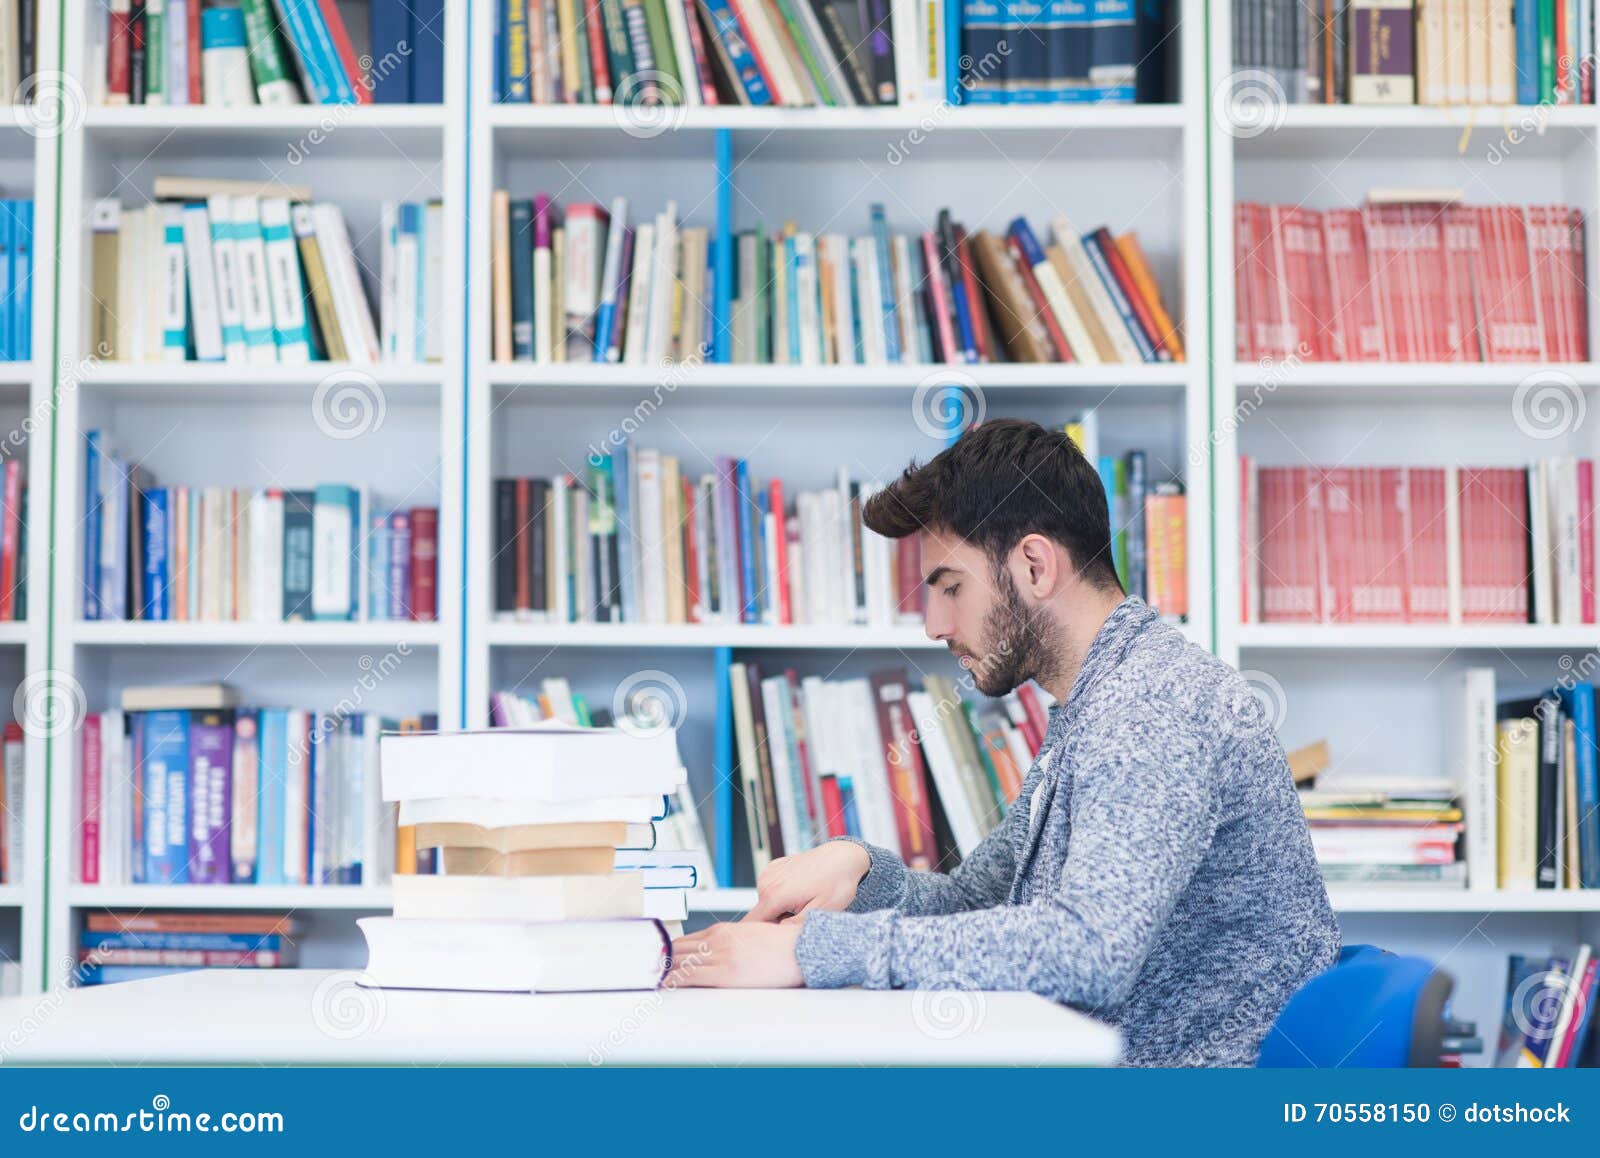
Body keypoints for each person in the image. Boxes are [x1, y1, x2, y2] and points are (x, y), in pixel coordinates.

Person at [668, 418, 1339, 1066]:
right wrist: (861, 871)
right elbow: (975, 905)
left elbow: (1089, 948)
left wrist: (812, 951)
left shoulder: (1152, 705)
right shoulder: (1093, 704)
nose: (933, 625)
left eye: (950, 588)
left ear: (1036, 567)